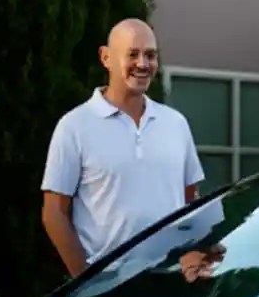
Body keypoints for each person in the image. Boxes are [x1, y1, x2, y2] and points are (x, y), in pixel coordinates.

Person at [41, 18, 205, 277]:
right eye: (132, 54)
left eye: (150, 55)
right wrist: (86, 283)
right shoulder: (74, 126)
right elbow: (54, 214)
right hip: (107, 289)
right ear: (105, 58)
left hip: (171, 285)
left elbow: (191, 201)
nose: (143, 64)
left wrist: (195, 258)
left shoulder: (176, 123)